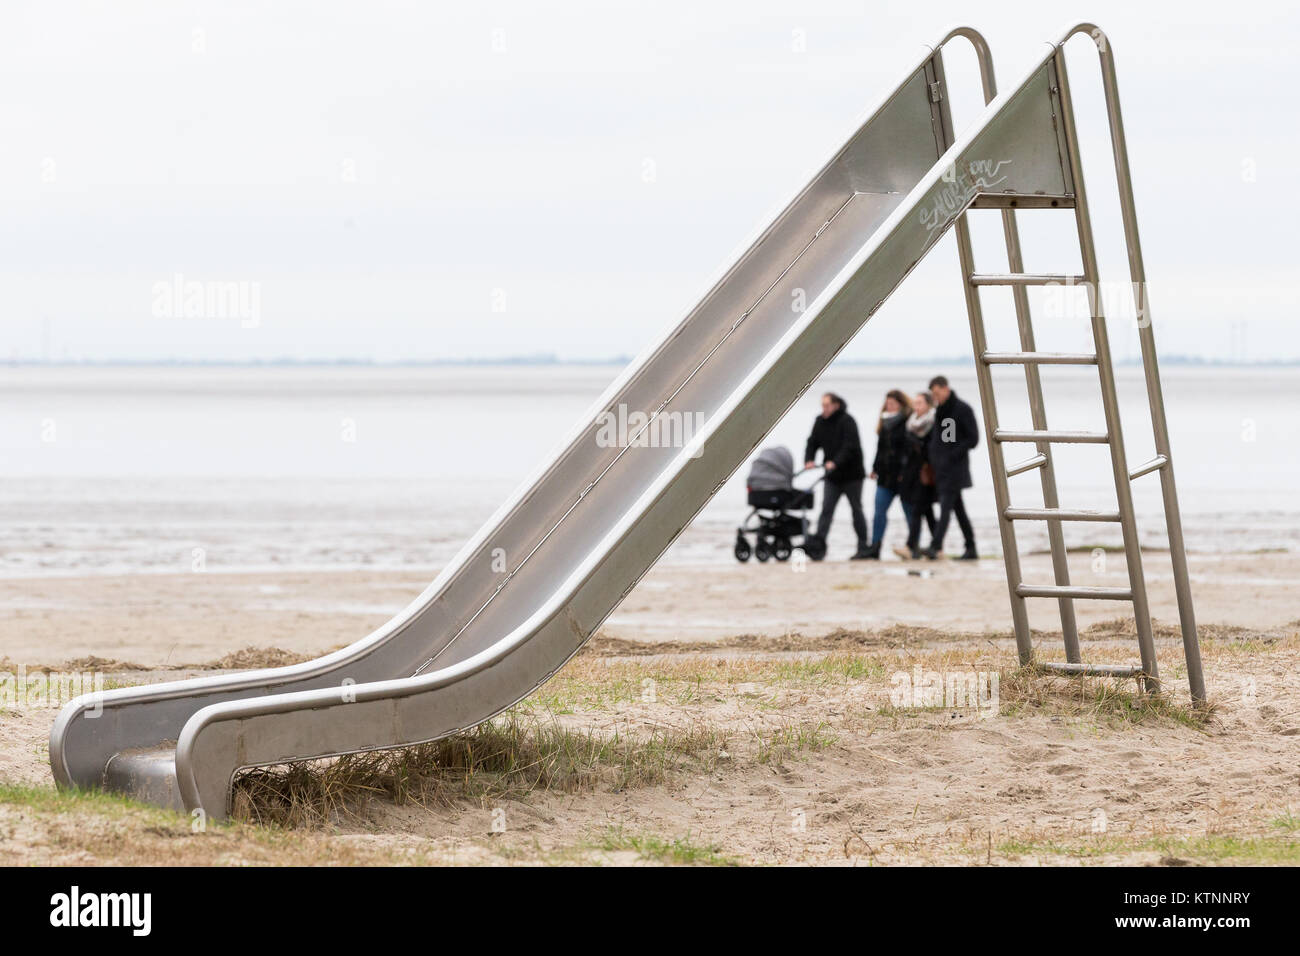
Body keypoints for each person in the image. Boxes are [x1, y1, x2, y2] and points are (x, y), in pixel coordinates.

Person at [804, 392, 870, 559]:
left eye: (827, 405)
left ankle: (863, 546)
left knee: (856, 509)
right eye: (822, 405)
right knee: (826, 510)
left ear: (836, 405)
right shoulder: (820, 421)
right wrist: (809, 459)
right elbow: (812, 442)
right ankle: (818, 545)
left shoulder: (847, 421)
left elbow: (850, 446)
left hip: (852, 475)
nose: (824, 409)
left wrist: (835, 462)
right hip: (832, 477)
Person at [925, 375, 979, 560]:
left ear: (946, 389)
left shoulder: (961, 409)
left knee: (946, 508)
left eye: (937, 393)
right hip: (941, 469)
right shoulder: (940, 410)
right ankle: (971, 547)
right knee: (959, 510)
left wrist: (951, 456)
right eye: (933, 394)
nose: (936, 397)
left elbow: (973, 439)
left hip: (955, 470)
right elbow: (943, 438)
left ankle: (935, 546)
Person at [863, 389, 913, 559]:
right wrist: (874, 468)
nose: (889, 407)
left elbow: (909, 449)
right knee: (879, 512)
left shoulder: (908, 421)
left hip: (902, 476)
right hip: (885, 476)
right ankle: (875, 547)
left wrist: (905, 471)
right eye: (887, 404)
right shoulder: (884, 423)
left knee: (909, 512)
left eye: (892, 404)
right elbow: (881, 448)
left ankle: (913, 546)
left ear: (901, 404)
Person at [895, 390, 939, 559]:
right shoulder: (911, 423)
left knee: (917, 511)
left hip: (927, 473)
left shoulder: (934, 422)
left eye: (920, 403)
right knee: (927, 512)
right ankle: (938, 547)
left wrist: (918, 444)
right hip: (912, 473)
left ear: (928, 405)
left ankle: (909, 546)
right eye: (915, 403)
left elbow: (936, 448)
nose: (916, 406)